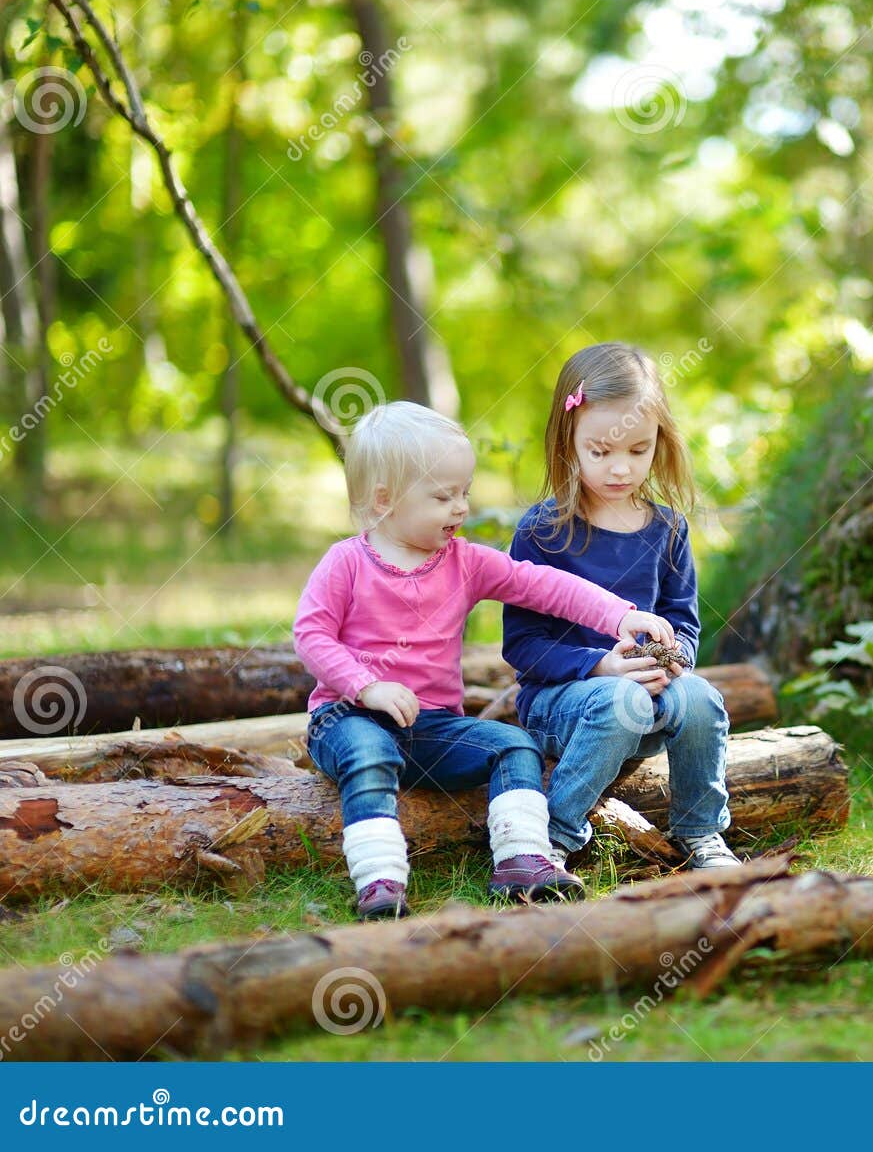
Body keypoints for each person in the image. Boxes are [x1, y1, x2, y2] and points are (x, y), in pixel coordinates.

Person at [293, 401, 675, 919]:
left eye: (465, 493)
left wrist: (617, 615)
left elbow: (542, 585)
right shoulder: (347, 563)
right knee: (369, 751)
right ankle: (380, 880)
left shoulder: (465, 562)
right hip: (346, 716)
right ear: (384, 500)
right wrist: (366, 686)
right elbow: (311, 635)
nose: (460, 508)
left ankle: (522, 859)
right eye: (442, 496)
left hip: (430, 728)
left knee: (514, 745)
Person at [503, 342, 738, 871]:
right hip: (562, 705)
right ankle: (554, 836)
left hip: (649, 697)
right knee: (619, 700)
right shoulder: (544, 531)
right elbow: (522, 645)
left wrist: (671, 660)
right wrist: (602, 667)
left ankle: (700, 831)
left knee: (702, 698)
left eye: (637, 450)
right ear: (568, 442)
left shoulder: (668, 529)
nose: (620, 468)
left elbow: (683, 622)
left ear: (660, 441)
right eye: (600, 451)